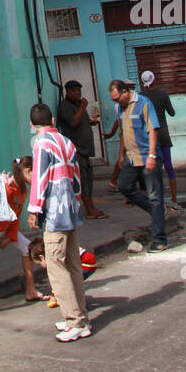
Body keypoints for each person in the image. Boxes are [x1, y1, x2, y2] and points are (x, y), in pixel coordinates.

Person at [27, 102, 91, 341]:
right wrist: (76, 203)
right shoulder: (67, 142)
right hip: (71, 212)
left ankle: (73, 321)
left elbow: (39, 179)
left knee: (56, 268)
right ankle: (80, 318)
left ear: (32, 125)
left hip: (54, 215)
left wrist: (34, 210)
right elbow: (76, 176)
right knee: (73, 265)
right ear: (52, 120)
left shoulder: (41, 144)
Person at [108, 78, 167, 250]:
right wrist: (121, 155)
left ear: (125, 92)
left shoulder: (143, 103)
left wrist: (151, 156)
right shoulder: (120, 108)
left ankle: (160, 239)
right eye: (113, 100)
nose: (116, 102)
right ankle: (155, 211)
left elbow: (152, 129)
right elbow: (122, 132)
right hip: (131, 158)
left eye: (118, 98)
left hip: (148, 157)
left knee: (155, 195)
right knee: (124, 186)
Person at [0, 155, 41, 316]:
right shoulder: (5, 187)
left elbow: (16, 215)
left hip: (6, 228)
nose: (36, 179)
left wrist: (10, 237)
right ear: (27, 171)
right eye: (34, 174)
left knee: (28, 248)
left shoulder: (23, 191)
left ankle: (31, 290)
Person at [56, 79, 108, 219]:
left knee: (88, 179)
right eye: (74, 91)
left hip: (86, 150)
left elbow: (80, 121)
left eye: (79, 90)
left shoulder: (78, 105)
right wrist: (83, 107)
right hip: (76, 150)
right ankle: (90, 210)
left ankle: (91, 207)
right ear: (68, 92)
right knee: (82, 181)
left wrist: (90, 122)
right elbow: (73, 122)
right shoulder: (66, 106)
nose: (78, 93)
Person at [139, 70, 178, 208]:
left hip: (149, 136)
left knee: (151, 169)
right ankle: (174, 199)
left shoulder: (141, 97)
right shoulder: (162, 94)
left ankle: (155, 200)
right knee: (168, 166)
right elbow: (172, 113)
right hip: (163, 133)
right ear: (154, 80)